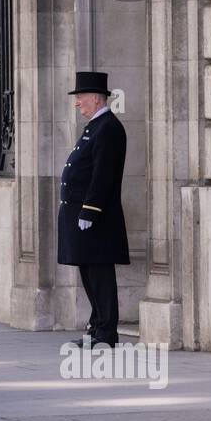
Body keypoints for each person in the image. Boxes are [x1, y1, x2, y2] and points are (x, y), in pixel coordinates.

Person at [58, 71, 129, 348]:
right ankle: (97, 326)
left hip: (95, 218)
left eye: (80, 97)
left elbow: (103, 175)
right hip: (81, 216)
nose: (77, 103)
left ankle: (106, 332)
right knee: (89, 273)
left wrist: (90, 210)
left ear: (96, 99)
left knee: (99, 274)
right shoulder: (95, 126)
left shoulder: (108, 127)